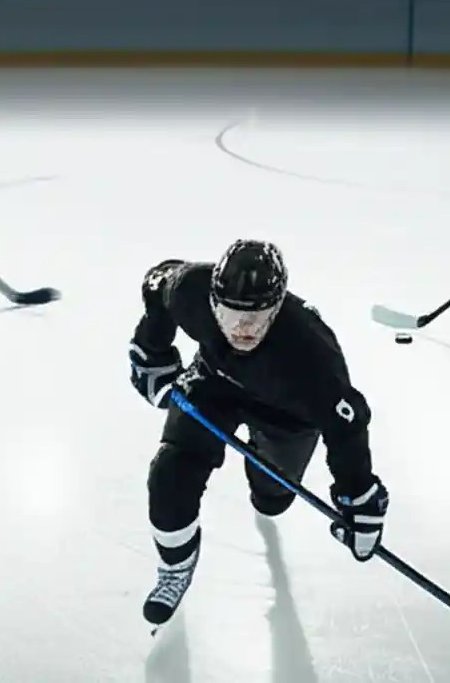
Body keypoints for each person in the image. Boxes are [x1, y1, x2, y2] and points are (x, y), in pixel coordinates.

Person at [128, 239, 388, 628]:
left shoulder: (312, 356)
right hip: (213, 384)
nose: (244, 329)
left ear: (279, 306)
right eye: (232, 315)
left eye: (258, 315)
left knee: (271, 502)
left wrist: (360, 498)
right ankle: (174, 567)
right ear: (213, 301)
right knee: (169, 475)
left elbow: (346, 426)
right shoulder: (188, 290)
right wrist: (153, 351)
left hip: (287, 417)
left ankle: (265, 481)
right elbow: (155, 283)